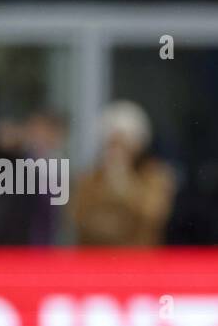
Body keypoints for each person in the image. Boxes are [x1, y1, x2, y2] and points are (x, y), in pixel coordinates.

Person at [71, 100, 175, 247]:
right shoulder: (92, 176)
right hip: (96, 260)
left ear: (138, 143)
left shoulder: (154, 175)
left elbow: (153, 214)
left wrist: (125, 185)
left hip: (138, 260)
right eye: (112, 142)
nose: (117, 149)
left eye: (123, 142)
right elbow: (78, 217)